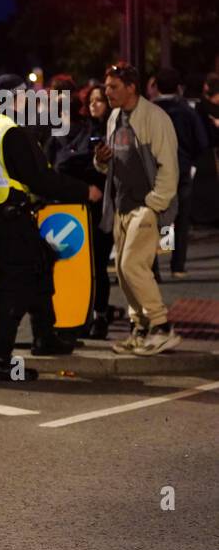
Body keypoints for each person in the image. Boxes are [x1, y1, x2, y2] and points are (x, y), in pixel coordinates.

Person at [0, 74, 101, 380]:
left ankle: (46, 336)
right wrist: (85, 191)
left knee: (41, 263)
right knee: (13, 287)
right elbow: (40, 179)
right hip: (11, 216)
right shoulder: (13, 132)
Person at [95, 65, 180, 355]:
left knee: (132, 264)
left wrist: (155, 204)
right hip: (122, 205)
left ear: (132, 87)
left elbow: (169, 166)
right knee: (122, 269)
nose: (107, 92)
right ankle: (140, 328)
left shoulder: (155, 118)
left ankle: (161, 325)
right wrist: (101, 161)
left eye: (113, 87)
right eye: (107, 87)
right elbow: (115, 163)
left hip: (145, 206)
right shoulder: (115, 117)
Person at [51, 84, 113, 338]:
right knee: (88, 263)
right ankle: (88, 314)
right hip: (85, 204)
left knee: (100, 262)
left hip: (105, 204)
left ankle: (101, 315)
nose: (94, 105)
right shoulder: (84, 130)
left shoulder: (113, 129)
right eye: (91, 101)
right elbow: (63, 162)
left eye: (100, 101)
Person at [148, 67, 209, 277]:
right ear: (178, 87)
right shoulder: (187, 111)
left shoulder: (147, 111)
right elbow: (201, 141)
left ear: (156, 86)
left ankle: (154, 267)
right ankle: (177, 265)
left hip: (154, 171)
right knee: (181, 217)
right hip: (180, 169)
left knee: (155, 218)